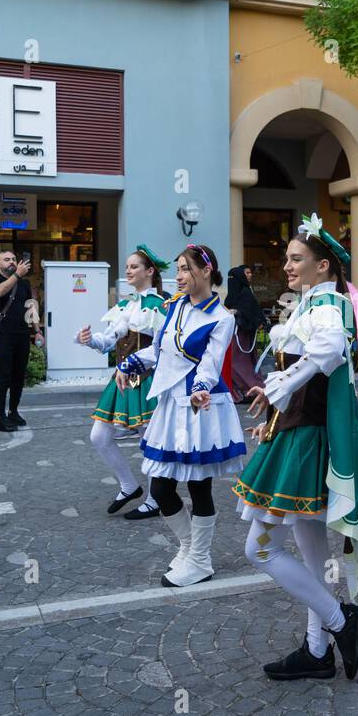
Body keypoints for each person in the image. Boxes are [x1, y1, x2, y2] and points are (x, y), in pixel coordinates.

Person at [233, 214, 358, 680]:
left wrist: (276, 394)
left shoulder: (329, 305)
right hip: (294, 436)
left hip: (305, 445)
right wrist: (275, 414)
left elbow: (328, 355)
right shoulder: (309, 306)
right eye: (286, 259)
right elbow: (308, 374)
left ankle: (340, 622)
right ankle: (318, 651)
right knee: (314, 557)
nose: (287, 267)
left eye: (296, 259)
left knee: (259, 550)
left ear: (324, 267)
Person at [115, 245, 247, 587]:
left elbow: (211, 362)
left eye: (186, 269)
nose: (180, 277)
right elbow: (158, 349)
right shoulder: (174, 306)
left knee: (198, 486)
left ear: (206, 271)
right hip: (172, 404)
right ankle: (189, 548)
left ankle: (200, 560)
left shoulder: (222, 317)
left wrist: (201, 386)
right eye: (178, 270)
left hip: (200, 407)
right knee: (160, 487)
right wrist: (129, 364)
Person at [78, 245, 169, 517]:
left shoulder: (159, 306)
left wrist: (133, 364)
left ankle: (155, 499)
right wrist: (88, 339)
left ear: (149, 271)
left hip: (147, 379)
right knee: (99, 436)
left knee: (148, 441)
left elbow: (161, 347)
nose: (128, 270)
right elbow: (108, 341)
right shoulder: (125, 306)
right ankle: (129, 485)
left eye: (134, 266)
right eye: (127, 266)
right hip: (121, 379)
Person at [0, 250, 42, 433]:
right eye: (6, 259)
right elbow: (0, 291)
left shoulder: (24, 284)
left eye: (14, 259)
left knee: (18, 376)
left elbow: (31, 307)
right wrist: (17, 274)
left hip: (22, 334)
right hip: (3, 335)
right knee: (3, 375)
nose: (11, 262)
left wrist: (38, 331)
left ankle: (13, 412)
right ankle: (0, 417)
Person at [225, 265, 268, 403]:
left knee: (240, 363)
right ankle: (243, 391)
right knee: (237, 363)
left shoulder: (245, 293)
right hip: (237, 334)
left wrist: (237, 313)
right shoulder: (239, 292)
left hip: (242, 335)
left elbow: (251, 312)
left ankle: (253, 389)